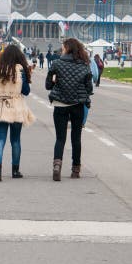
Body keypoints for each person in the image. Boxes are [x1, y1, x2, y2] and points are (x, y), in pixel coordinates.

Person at [0, 45, 36, 182]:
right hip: (16, 107)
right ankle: (15, 171)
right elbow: (26, 91)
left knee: (0, 139)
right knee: (15, 140)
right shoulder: (20, 70)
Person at [46, 38, 93, 181]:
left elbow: (48, 85)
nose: (62, 49)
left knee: (60, 138)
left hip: (60, 104)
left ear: (67, 48)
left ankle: (57, 165)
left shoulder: (56, 64)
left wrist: (55, 82)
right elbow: (89, 89)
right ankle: (76, 169)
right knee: (76, 138)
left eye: (63, 47)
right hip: (78, 105)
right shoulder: (85, 65)